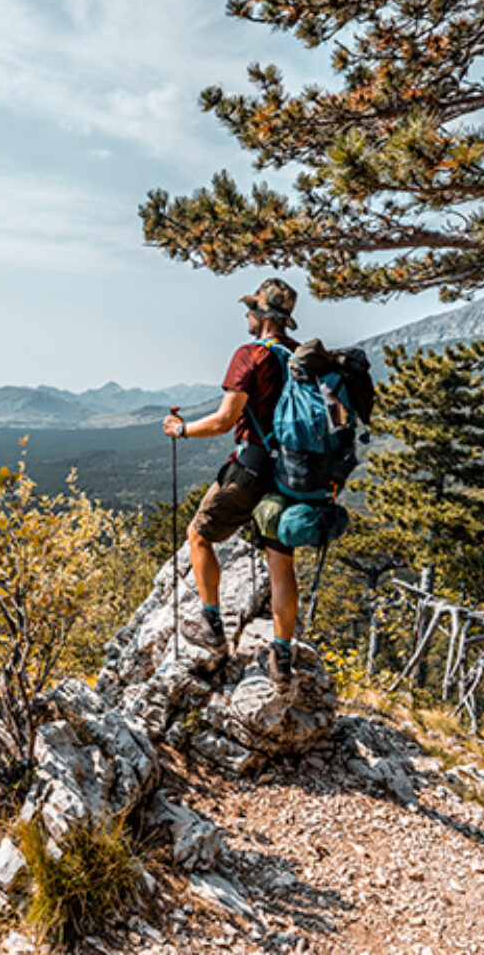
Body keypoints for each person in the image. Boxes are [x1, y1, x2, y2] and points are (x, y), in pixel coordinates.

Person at [162, 277, 302, 692]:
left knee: (199, 535)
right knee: (281, 561)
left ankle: (211, 624)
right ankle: (281, 655)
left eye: (250, 309)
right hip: (293, 474)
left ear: (261, 317)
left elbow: (225, 419)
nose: (246, 315)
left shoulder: (250, 354)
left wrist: (182, 429)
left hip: (253, 467)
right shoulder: (300, 358)